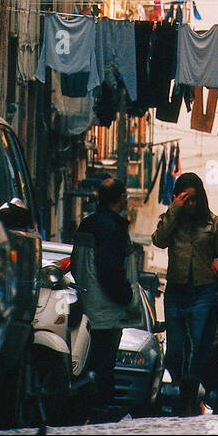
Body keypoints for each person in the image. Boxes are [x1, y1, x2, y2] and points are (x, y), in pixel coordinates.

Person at [152, 172, 218, 415]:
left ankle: (189, 391)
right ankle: (179, 386)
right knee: (176, 348)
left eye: (193, 199)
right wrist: (174, 210)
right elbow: (159, 241)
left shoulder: (213, 223)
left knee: (198, 345)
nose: (189, 204)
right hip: (176, 290)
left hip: (204, 290)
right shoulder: (171, 220)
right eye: (184, 198)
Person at [71, 177, 141, 420]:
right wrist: (127, 297)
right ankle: (101, 413)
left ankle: (90, 409)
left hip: (87, 307)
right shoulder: (113, 229)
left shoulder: (87, 224)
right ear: (121, 198)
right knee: (104, 366)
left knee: (90, 364)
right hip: (106, 310)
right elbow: (111, 271)